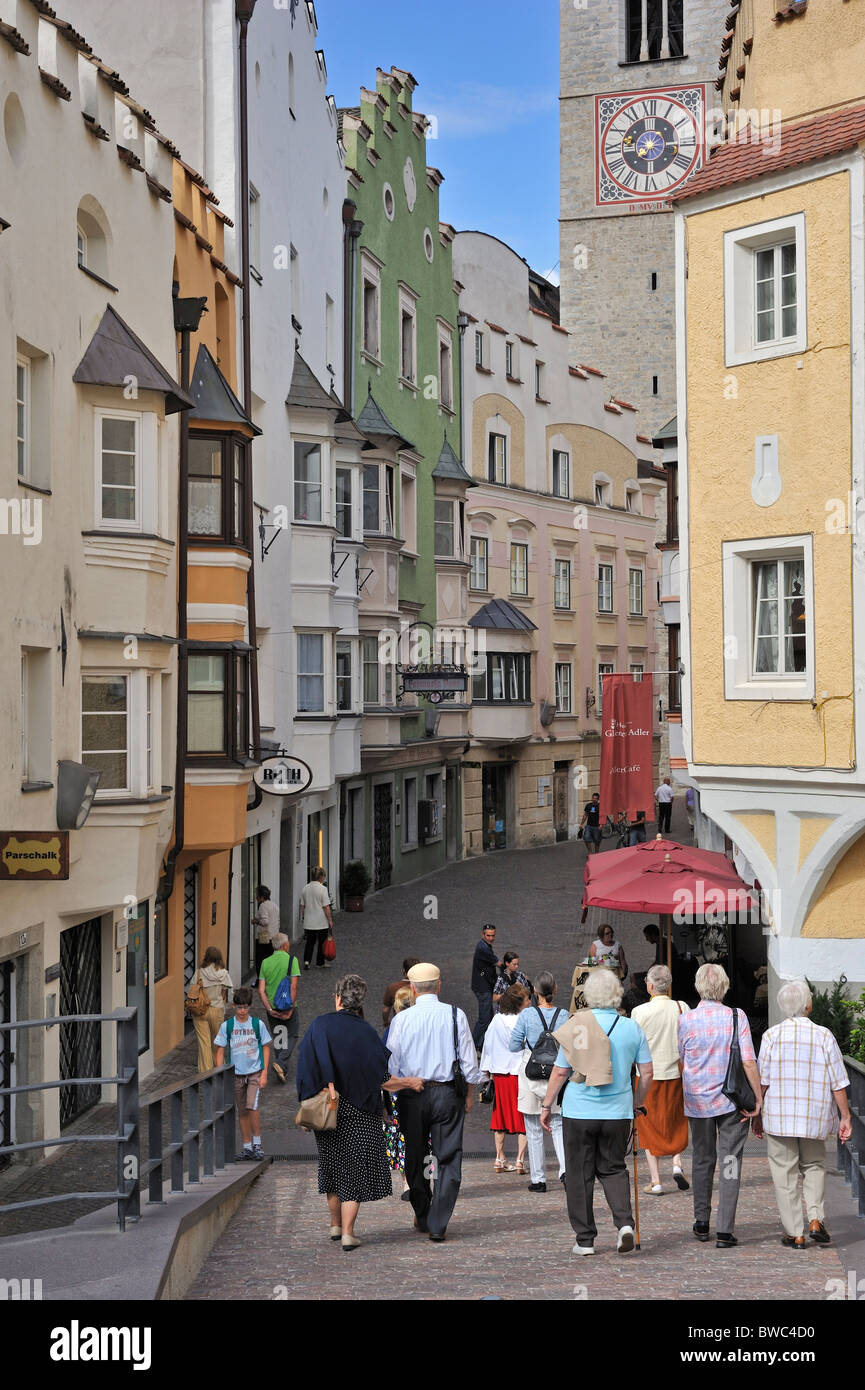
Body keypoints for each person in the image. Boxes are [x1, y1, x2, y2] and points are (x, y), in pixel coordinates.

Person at [295, 974, 424, 1251]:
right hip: (359, 1113)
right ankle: (348, 1233)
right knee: (353, 1173)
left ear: (339, 998)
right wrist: (409, 1082)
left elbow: (305, 1067)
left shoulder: (319, 1025)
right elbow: (382, 1079)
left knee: (331, 1168)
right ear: (360, 1001)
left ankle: (335, 1225)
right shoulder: (365, 1032)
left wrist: (305, 1102)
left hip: (327, 1112)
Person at [541, 967, 653, 1256]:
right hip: (618, 1112)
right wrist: (637, 1101)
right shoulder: (631, 1027)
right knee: (614, 1168)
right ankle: (625, 1225)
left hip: (580, 1111)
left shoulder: (578, 1025)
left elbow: (560, 1071)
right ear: (616, 995)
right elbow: (647, 1073)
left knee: (579, 1174)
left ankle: (585, 1239)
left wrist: (546, 1104)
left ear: (587, 995)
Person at [386, 962, 488, 1242]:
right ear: (439, 986)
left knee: (416, 1156)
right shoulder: (455, 1015)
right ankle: (438, 1221)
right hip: (446, 1094)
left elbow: (391, 1064)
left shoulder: (401, 1020)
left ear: (413, 989)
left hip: (412, 1093)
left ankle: (423, 1210)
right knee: (449, 1158)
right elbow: (470, 1065)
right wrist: (471, 1092)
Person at [756, 981, 852, 1250]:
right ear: (808, 1005)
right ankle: (815, 1219)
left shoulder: (771, 1036)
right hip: (814, 1115)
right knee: (814, 1166)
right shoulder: (824, 1035)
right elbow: (838, 1082)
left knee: (784, 1174)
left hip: (780, 1116)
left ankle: (795, 1232)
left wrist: (756, 1112)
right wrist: (845, 1116)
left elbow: (762, 1081)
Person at [677, 963, 762, 1249]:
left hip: (698, 1100)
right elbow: (748, 1061)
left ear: (699, 987)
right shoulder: (736, 1017)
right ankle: (725, 1229)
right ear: (724, 987)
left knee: (702, 1160)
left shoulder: (686, 1020)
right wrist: (759, 1096)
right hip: (732, 1100)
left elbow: (682, 1059)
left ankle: (701, 1221)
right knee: (729, 1162)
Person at [630, 965, 691, 1195]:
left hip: (648, 1074)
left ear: (651, 985)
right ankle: (677, 1163)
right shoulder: (681, 1006)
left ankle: (656, 1181)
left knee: (648, 1125)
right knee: (676, 1119)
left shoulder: (640, 1012)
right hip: (676, 1072)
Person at [509, 970, 567, 1192]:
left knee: (533, 1127)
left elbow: (514, 1045)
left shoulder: (526, 1016)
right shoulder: (564, 1015)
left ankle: (539, 1179)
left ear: (535, 991)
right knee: (558, 1123)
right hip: (557, 1072)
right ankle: (564, 1170)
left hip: (531, 1072)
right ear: (555, 990)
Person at [214, 988, 271, 1160]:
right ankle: (247, 1146)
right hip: (236, 1074)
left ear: (250, 1007)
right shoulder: (228, 1026)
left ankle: (257, 1144)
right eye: (239, 1007)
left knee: (251, 1106)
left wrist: (264, 1073)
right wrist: (221, 1071)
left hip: (254, 1072)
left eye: (245, 1007)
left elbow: (266, 1047)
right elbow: (220, 1050)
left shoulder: (257, 1025)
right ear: (233, 1006)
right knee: (242, 1111)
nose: (242, 1011)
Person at [480, 984, 529, 1174]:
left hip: (500, 1075)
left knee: (499, 1117)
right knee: (522, 1117)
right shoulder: (524, 1020)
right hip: (519, 1074)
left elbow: (488, 1046)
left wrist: (485, 1072)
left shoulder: (497, 1020)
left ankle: (499, 1157)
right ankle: (520, 1160)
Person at [383, 987, 415, 1200]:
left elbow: (386, 1062)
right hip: (421, 1086)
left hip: (397, 1089)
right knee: (426, 1136)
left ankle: (406, 1182)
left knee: (401, 1135)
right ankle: (428, 1177)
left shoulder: (392, 1028)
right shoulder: (420, 1024)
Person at [257, 933, 301, 1082]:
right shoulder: (292, 960)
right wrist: (290, 1009)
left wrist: (269, 1009)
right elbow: (293, 988)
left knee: (278, 1036)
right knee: (292, 1034)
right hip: (288, 1005)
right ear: (285, 945)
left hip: (273, 1006)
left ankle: (282, 1069)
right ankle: (280, 1063)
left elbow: (261, 990)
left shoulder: (265, 962)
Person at [191, 945, 233, 1073]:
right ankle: (219, 1067)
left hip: (200, 1010)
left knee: (204, 1043)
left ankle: (205, 1072)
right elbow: (225, 994)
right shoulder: (223, 974)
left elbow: (192, 991)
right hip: (217, 1010)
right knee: (217, 1041)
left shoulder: (199, 972)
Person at [471, 924, 501, 1049]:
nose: (491, 938)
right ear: (483, 935)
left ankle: (481, 1044)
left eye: (493, 935)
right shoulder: (483, 948)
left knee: (488, 1017)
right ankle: (474, 1046)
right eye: (488, 935)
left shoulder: (484, 945)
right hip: (483, 988)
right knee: (484, 1019)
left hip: (484, 986)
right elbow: (499, 963)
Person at [299, 866, 334, 970]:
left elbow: (302, 906)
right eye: (324, 876)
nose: (324, 878)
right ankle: (320, 962)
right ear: (320, 877)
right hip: (321, 921)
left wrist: (304, 917)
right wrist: (330, 920)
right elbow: (326, 907)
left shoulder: (305, 888)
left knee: (310, 942)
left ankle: (306, 961)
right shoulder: (323, 889)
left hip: (309, 921)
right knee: (321, 942)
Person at [382, 957, 420, 1027]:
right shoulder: (424, 987)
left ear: (404, 970)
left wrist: (386, 1022)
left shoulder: (393, 987)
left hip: (399, 1025)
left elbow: (385, 1010)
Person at [252, 886, 279, 979]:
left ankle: (261, 980)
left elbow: (265, 921)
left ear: (262, 897)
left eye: (257, 896)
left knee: (260, 960)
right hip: (274, 936)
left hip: (264, 937)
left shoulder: (263, 906)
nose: (256, 898)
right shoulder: (274, 905)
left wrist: (256, 921)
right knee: (271, 959)